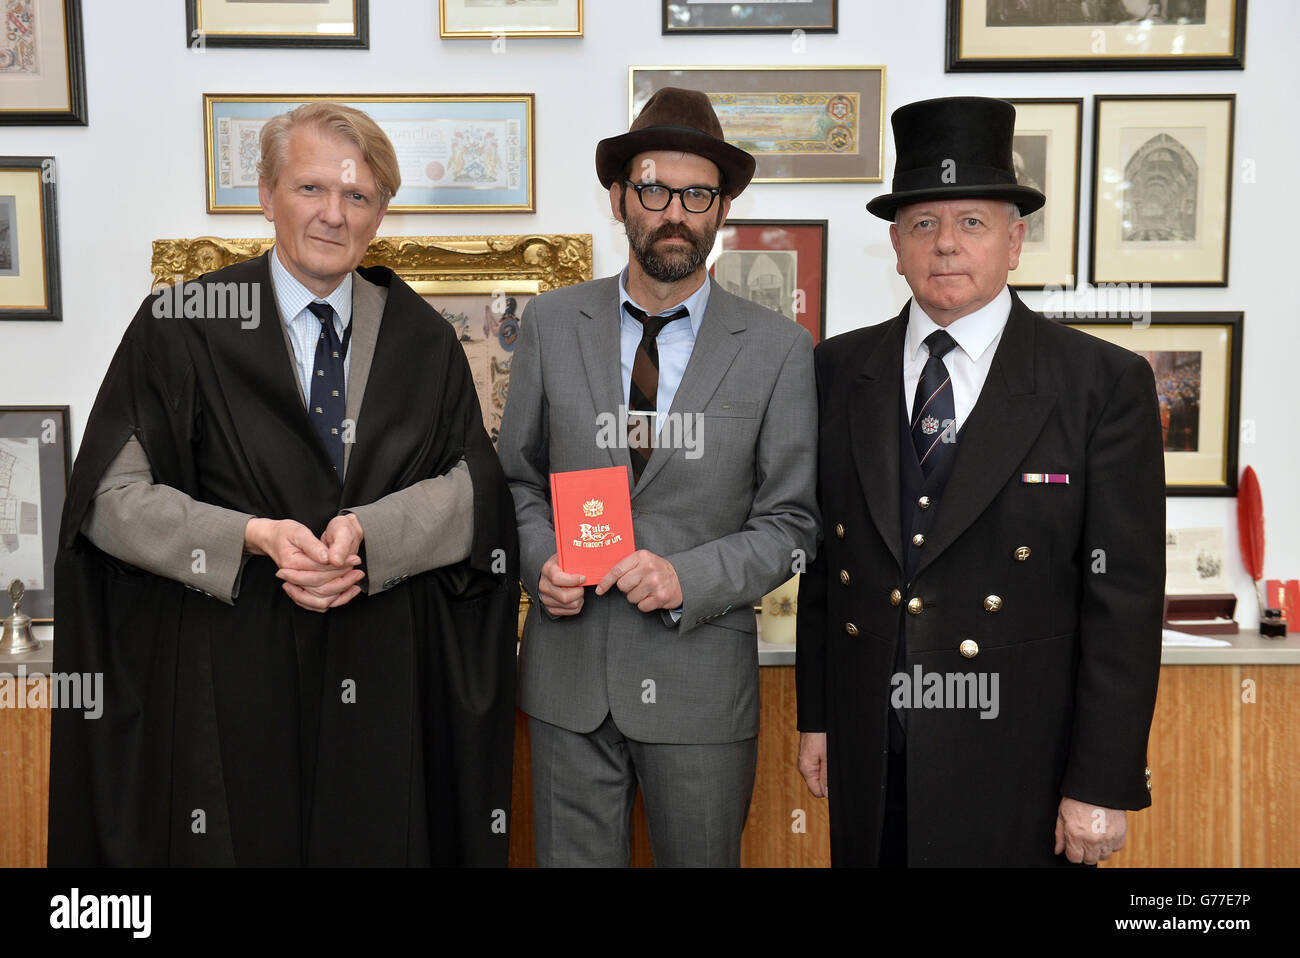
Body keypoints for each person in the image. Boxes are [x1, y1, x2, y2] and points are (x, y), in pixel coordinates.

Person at [48, 102, 519, 866]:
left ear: (380, 213)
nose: (333, 215)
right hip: (228, 674)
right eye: (310, 189)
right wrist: (249, 535)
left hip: (382, 680)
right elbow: (107, 501)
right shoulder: (182, 325)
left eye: (358, 196)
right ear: (265, 195)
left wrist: (372, 529)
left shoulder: (422, 340)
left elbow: (476, 494)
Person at [795, 96, 1165, 867]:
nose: (946, 246)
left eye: (972, 222)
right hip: (875, 755)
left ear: (1015, 239)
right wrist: (820, 718)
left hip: (1022, 767)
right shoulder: (836, 370)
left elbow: (1123, 606)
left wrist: (1101, 782)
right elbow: (827, 566)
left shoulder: (1100, 382)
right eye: (923, 224)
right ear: (895, 244)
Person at [497, 88, 819, 867]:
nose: (675, 211)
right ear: (619, 199)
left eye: (698, 193)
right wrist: (540, 560)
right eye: (653, 189)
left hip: (700, 686)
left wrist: (686, 576)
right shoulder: (548, 323)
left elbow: (792, 524)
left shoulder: (779, 348)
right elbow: (514, 482)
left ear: (722, 206)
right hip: (567, 683)